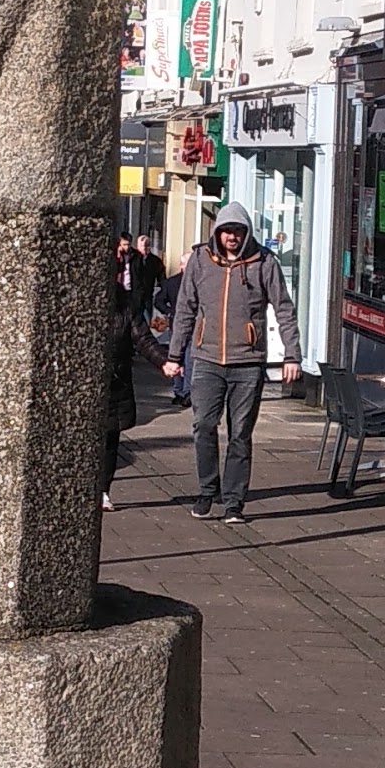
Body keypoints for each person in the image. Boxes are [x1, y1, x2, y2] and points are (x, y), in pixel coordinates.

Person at [168, 201, 302, 525]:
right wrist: (174, 355)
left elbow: (284, 309)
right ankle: (206, 491)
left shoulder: (263, 262)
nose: (231, 237)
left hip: (248, 362)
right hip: (207, 359)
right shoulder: (201, 260)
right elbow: (185, 309)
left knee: (240, 433)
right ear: (217, 232)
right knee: (203, 427)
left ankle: (233, 503)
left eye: (237, 231)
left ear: (245, 233)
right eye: (226, 231)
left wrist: (292, 354)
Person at [103, 282, 181, 510]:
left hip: (115, 381)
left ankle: (103, 491)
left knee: (109, 439)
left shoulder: (124, 302)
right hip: (83, 383)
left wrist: (163, 362)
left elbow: (143, 339)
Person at [155, 249, 193, 407]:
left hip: (194, 326)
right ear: (181, 265)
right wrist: (170, 312)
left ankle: (187, 392)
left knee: (190, 360)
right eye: (187, 264)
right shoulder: (172, 282)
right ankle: (179, 391)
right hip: (176, 326)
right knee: (176, 358)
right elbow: (159, 301)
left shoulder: (199, 282)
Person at [135, 234, 166, 316]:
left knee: (148, 319)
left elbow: (162, 279)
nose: (144, 248)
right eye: (142, 245)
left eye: (147, 245)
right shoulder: (133, 259)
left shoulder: (155, 261)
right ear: (137, 246)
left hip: (148, 296)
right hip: (134, 297)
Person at [115, 231, 142, 309]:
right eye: (124, 245)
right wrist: (118, 255)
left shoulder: (137, 256)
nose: (126, 247)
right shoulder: (117, 255)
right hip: (120, 289)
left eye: (128, 244)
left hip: (132, 289)